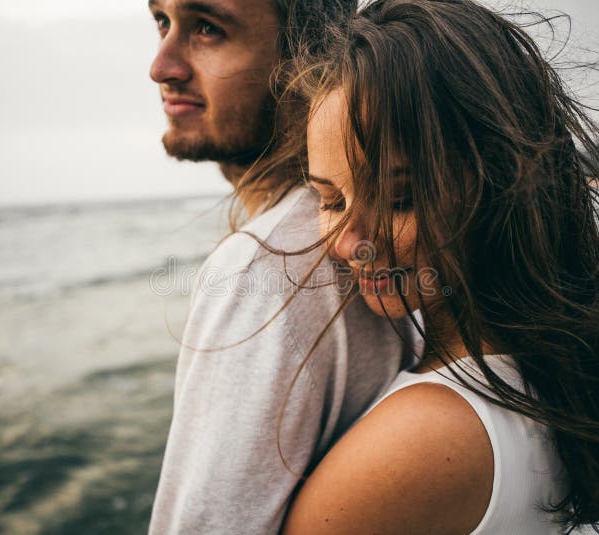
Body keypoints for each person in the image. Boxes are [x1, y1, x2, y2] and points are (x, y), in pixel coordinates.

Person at [245, 1, 599, 533]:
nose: (348, 243)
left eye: (400, 199)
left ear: (507, 187)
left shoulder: (424, 441)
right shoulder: (554, 374)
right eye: (331, 199)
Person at [145, 1, 412, 533]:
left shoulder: (266, 266)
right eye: (161, 22)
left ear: (302, 55)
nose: (162, 66)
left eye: (208, 28)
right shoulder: (363, 231)